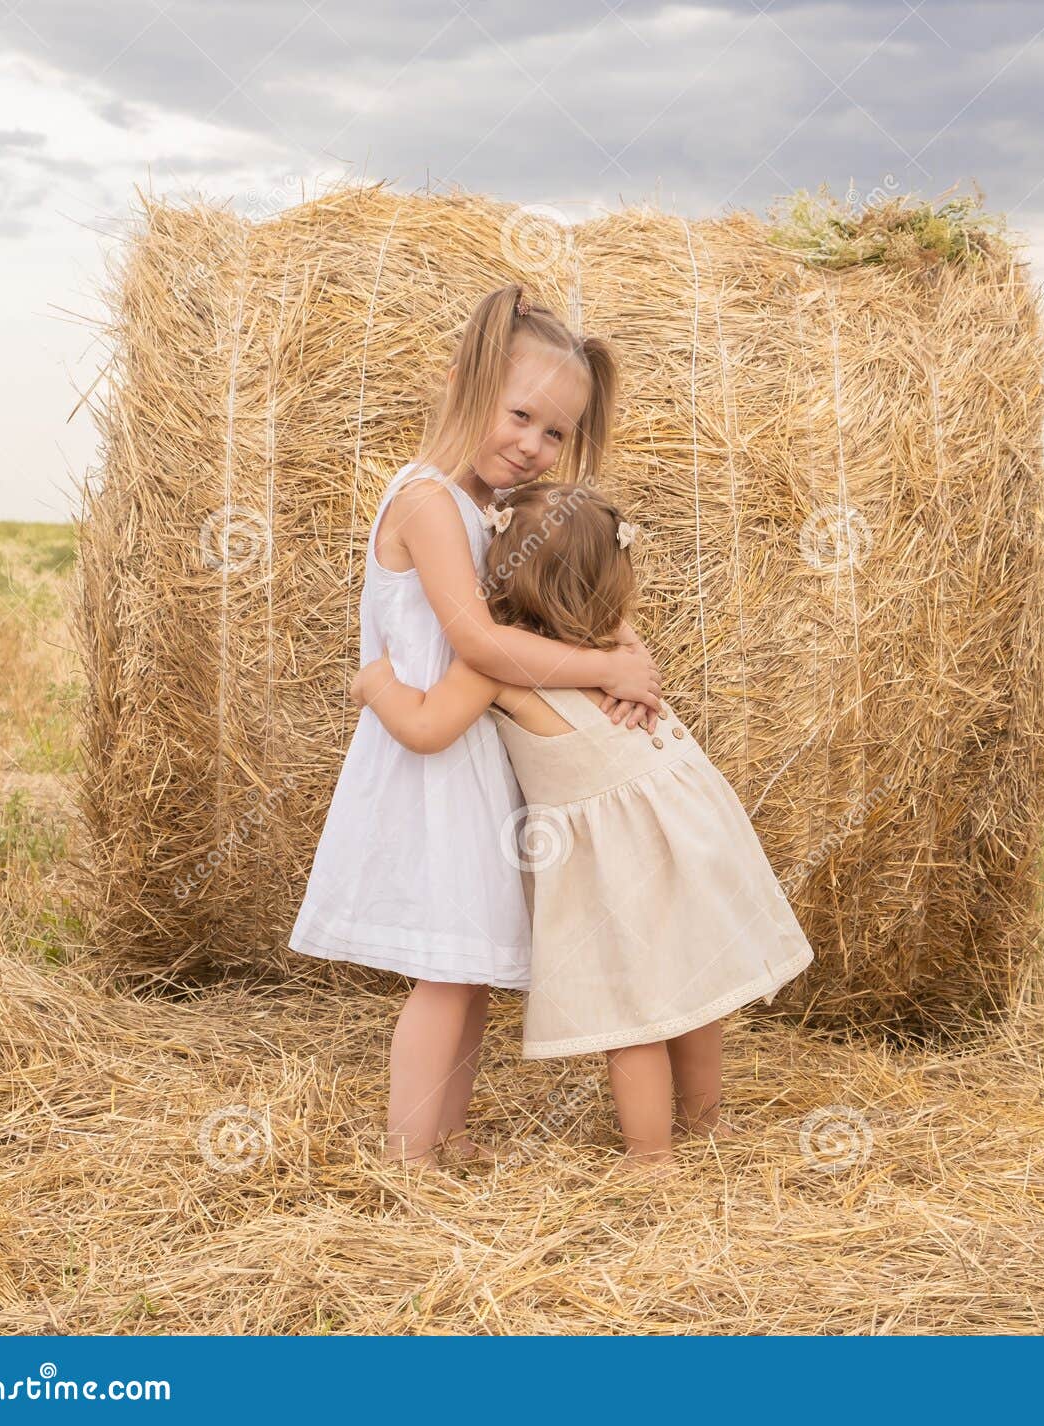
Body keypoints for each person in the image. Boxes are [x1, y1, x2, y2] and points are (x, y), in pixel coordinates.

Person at [290, 285, 663, 1169]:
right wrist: (609, 669)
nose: (533, 446)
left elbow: (558, 600)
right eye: (520, 415)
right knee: (443, 973)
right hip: (427, 769)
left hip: (468, 761)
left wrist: (627, 641)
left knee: (468, 971)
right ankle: (409, 1161)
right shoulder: (425, 501)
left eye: (555, 434)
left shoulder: (482, 506)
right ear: (463, 383)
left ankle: (443, 1141)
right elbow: (481, 640)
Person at [350, 480, 814, 1167]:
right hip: (691, 833)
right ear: (611, 584)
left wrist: (377, 684)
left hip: (617, 862)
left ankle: (650, 1154)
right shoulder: (614, 646)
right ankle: (704, 1123)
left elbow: (425, 728)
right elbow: (606, 607)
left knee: (635, 1012)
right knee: (695, 990)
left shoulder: (497, 663)